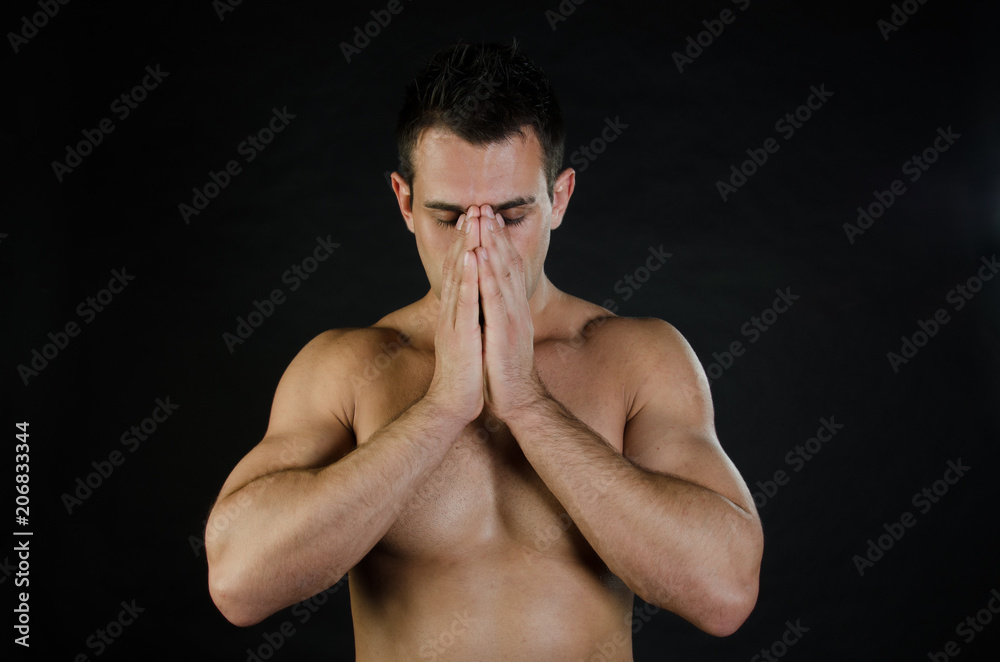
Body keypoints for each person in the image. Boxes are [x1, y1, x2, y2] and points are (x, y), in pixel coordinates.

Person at [206, 39, 763, 660]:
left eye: (512, 215)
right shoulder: (349, 370)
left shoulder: (639, 359)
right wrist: (441, 408)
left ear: (561, 199)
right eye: (450, 219)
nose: (479, 247)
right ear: (405, 202)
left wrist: (527, 402)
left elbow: (725, 592)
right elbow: (238, 583)